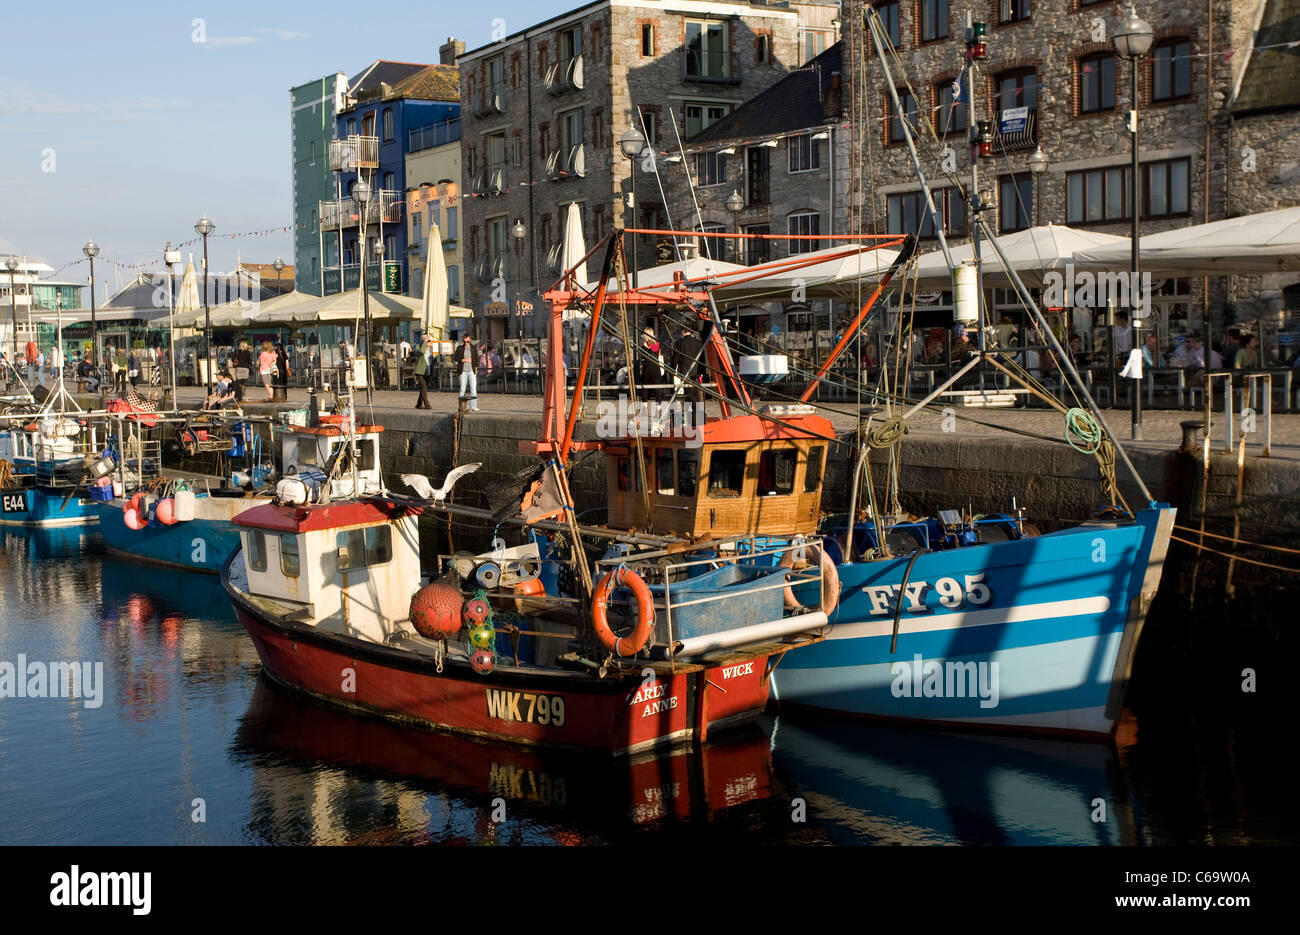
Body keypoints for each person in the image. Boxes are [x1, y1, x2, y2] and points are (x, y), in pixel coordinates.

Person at [457, 334, 479, 412]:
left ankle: (473, 406)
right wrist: (465, 360)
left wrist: (476, 367)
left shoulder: (473, 348)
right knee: (462, 388)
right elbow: (456, 358)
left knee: (473, 388)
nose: (465, 342)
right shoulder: (459, 348)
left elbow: (476, 358)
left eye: (467, 341)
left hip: (471, 370)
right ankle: (461, 406)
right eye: (464, 341)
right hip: (463, 371)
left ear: (470, 340)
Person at [413, 335, 434, 409]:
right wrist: (424, 343)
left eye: (429, 341)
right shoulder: (418, 347)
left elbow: (431, 358)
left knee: (424, 387)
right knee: (423, 386)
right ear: (423, 341)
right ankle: (427, 404)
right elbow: (421, 352)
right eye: (426, 341)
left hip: (427, 369)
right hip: (420, 370)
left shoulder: (430, 348)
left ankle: (419, 404)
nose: (428, 343)